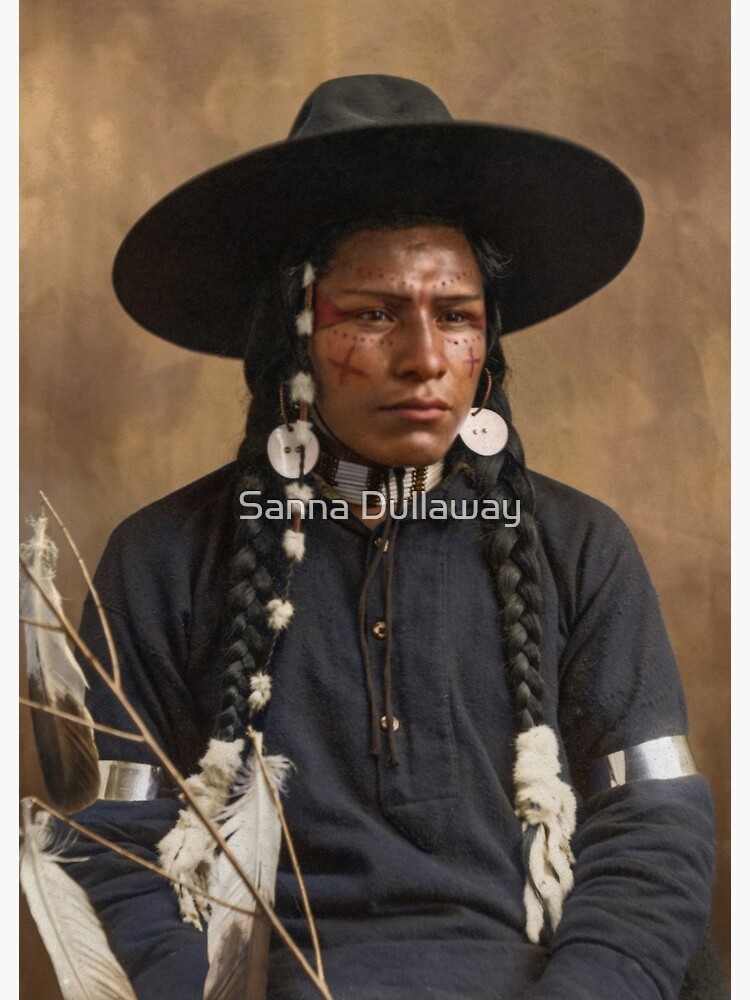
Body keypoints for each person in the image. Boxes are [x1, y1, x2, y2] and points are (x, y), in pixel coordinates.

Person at [50, 75, 715, 999]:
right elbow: (108, 844)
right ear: (294, 335)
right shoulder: (165, 557)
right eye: (372, 314)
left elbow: (652, 828)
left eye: (456, 316)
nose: (425, 358)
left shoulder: (577, 547)